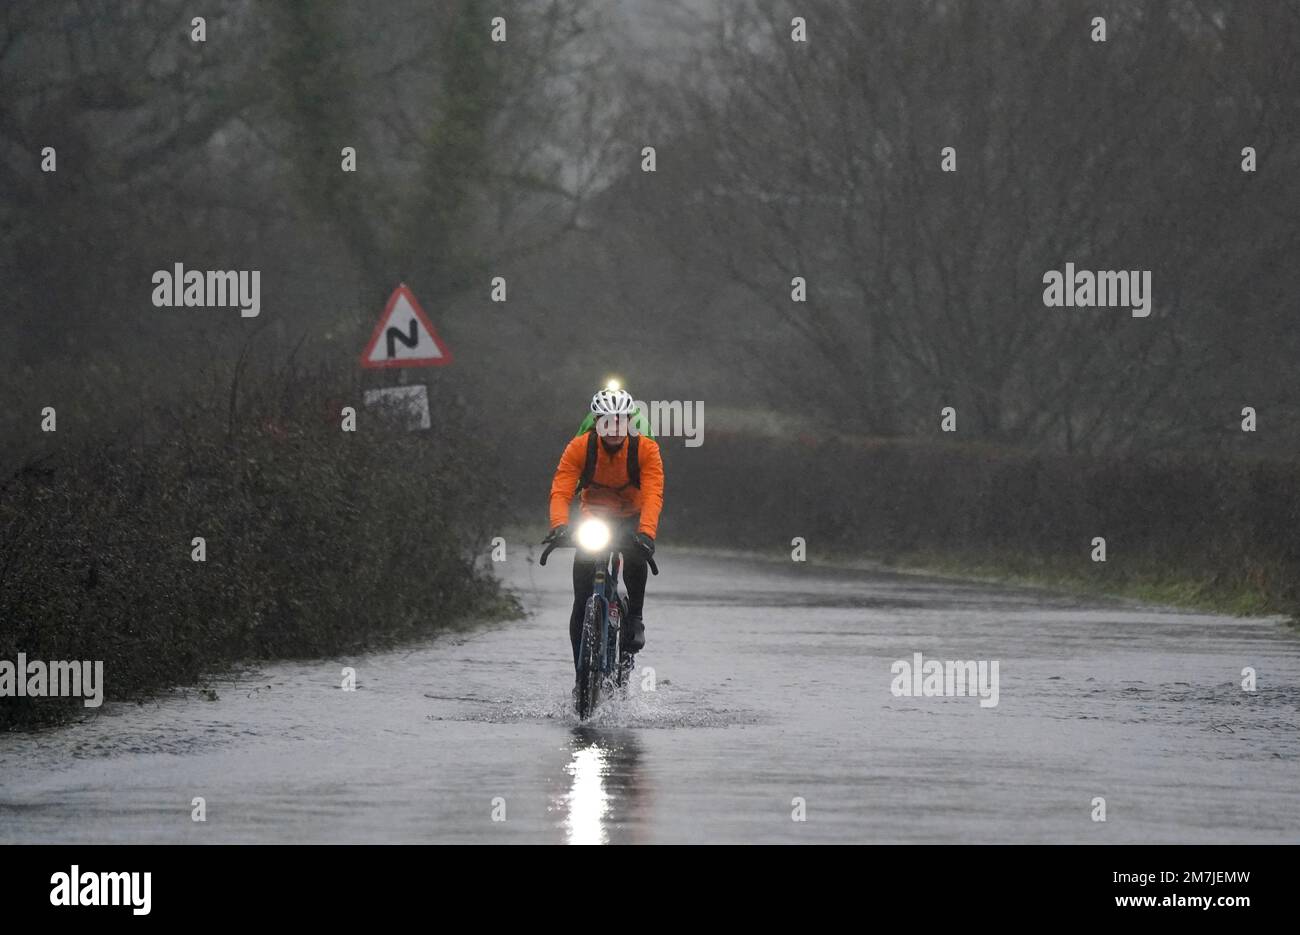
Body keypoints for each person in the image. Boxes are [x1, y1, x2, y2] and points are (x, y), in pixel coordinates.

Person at [545, 383, 664, 665]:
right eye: (606, 422)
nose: (613, 428)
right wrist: (559, 525)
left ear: (629, 422)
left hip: (631, 515)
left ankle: (634, 616)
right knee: (581, 599)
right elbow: (561, 488)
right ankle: (580, 674)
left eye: (619, 422)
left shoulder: (645, 449)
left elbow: (652, 495)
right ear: (596, 423)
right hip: (594, 516)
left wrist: (646, 533)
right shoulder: (579, 447)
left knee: (635, 554)